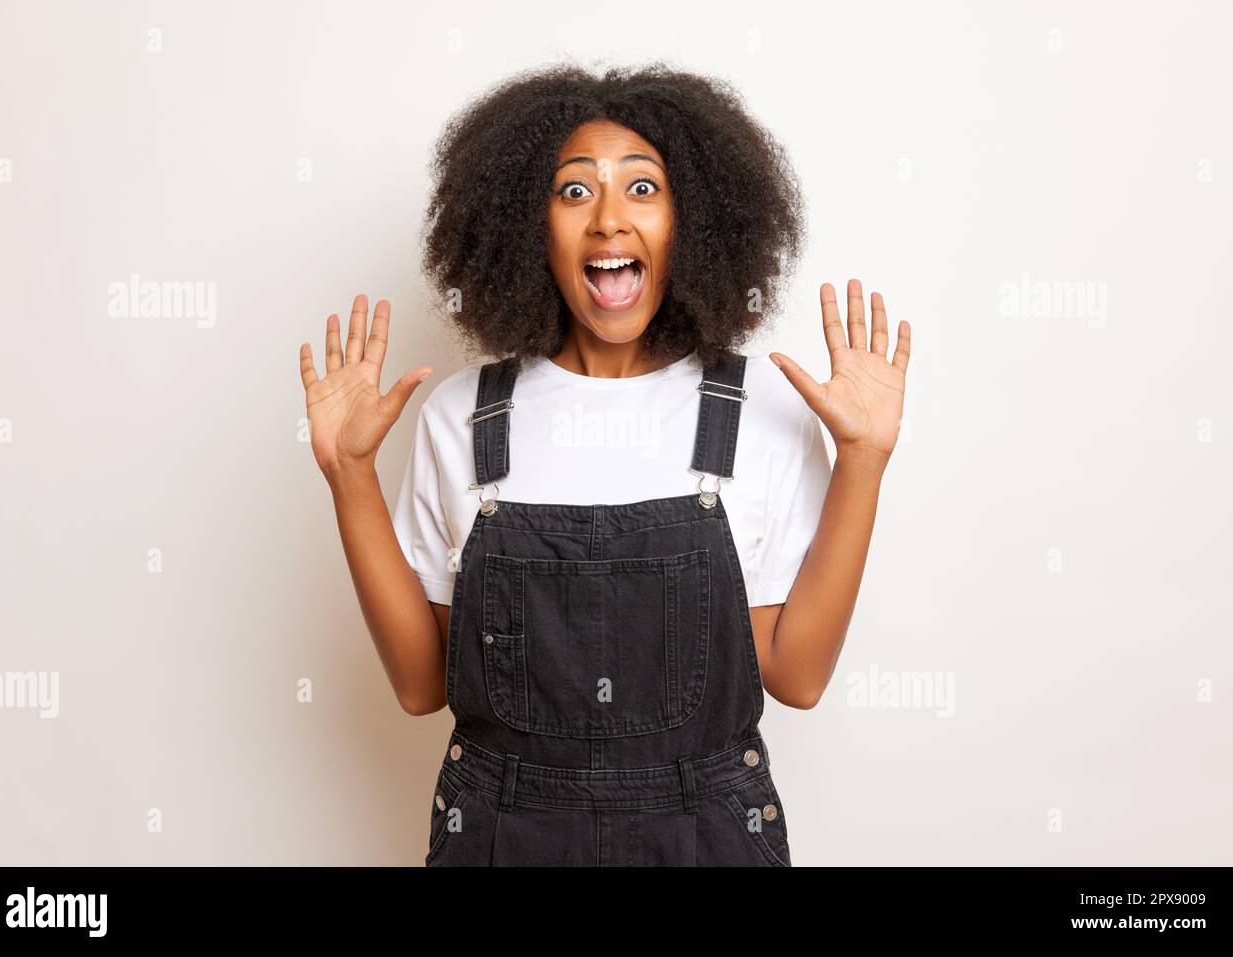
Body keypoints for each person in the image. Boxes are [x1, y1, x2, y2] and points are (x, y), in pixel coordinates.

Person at [296, 63, 911, 866]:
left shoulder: (760, 408)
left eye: (644, 189)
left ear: (691, 220)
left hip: (707, 837)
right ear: (528, 224)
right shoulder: (463, 415)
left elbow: (795, 676)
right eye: (575, 191)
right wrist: (350, 477)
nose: (610, 220)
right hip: (504, 837)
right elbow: (420, 684)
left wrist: (863, 460)